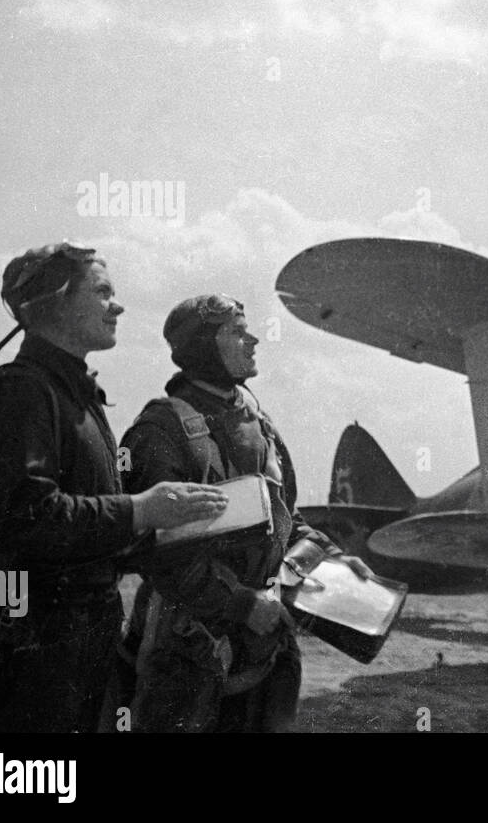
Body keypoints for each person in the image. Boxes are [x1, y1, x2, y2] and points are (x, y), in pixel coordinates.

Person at [0, 243, 225, 732]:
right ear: (54, 301)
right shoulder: (18, 393)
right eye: (102, 292)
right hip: (25, 646)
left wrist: (174, 526)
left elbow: (85, 525)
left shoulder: (73, 395)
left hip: (69, 644)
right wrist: (140, 511)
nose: (118, 305)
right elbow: (24, 518)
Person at [119, 294, 375, 732]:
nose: (253, 339)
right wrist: (239, 604)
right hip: (185, 656)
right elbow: (155, 551)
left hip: (263, 650)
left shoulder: (260, 424)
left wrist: (330, 561)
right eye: (237, 331)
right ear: (203, 345)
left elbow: (285, 519)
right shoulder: (159, 431)